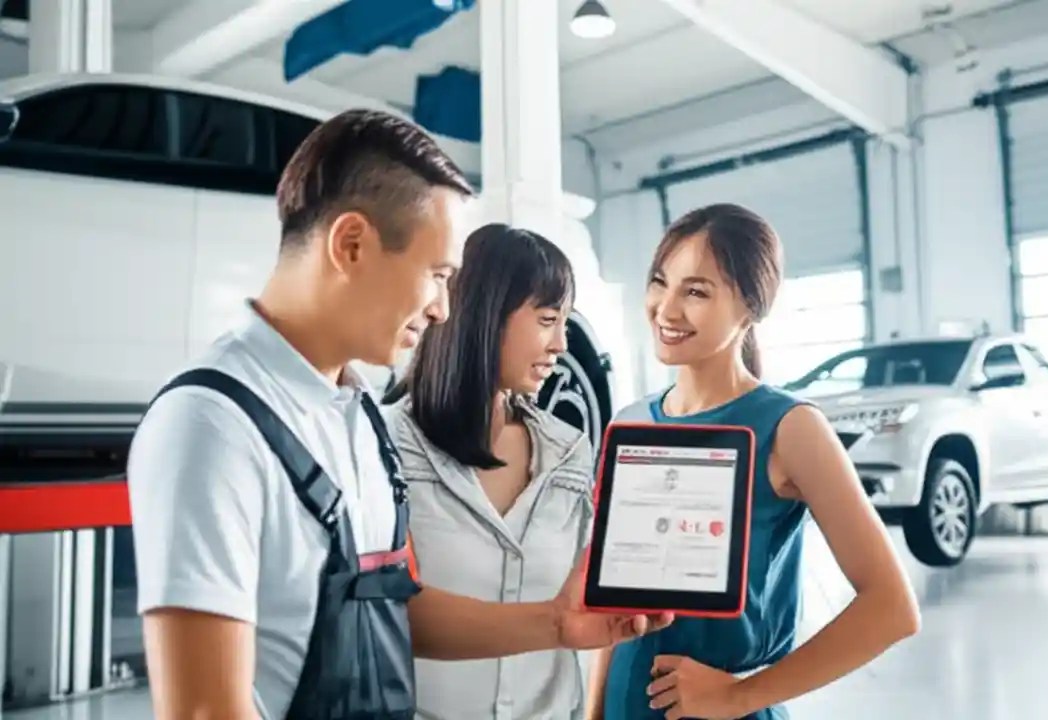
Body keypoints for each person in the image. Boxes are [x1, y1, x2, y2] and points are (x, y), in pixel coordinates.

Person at [127, 109, 671, 720]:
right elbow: (204, 709)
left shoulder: (358, 419)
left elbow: (389, 610)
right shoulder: (212, 425)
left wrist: (553, 623)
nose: (443, 308)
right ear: (351, 245)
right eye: (436, 275)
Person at [590, 204, 922, 720]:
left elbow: (892, 608)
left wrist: (740, 695)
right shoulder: (630, 425)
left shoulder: (790, 428)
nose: (666, 309)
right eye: (660, 282)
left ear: (750, 306)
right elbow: (617, 604)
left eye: (696, 291)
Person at [391, 223, 597, 719]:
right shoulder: (384, 445)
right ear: (485, 316)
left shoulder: (570, 452)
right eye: (549, 319)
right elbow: (385, 614)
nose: (562, 344)